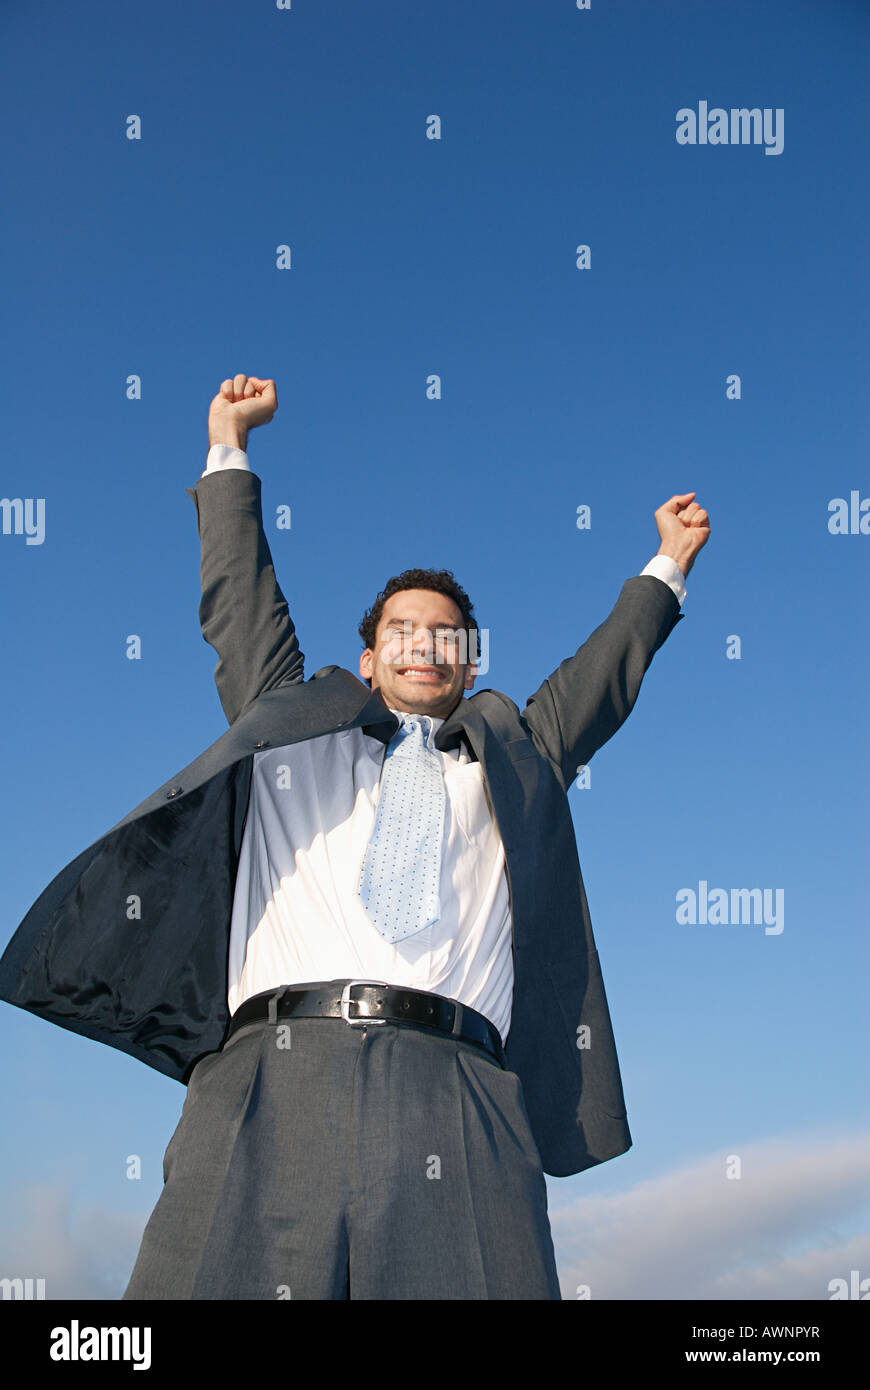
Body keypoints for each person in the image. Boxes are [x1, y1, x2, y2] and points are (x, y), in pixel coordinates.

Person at [0, 375, 710, 1299]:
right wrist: (229, 449)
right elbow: (239, 598)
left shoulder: (519, 756)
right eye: (403, 630)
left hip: (460, 1101)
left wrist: (667, 564)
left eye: (448, 633)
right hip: (268, 1085)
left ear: (470, 660)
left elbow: (604, 675)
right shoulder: (292, 723)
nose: (427, 643)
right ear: (371, 658)